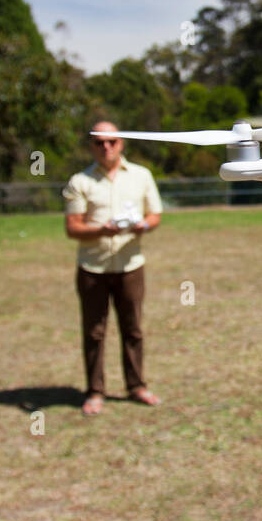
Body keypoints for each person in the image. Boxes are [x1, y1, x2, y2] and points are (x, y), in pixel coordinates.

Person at [62, 121, 163, 415]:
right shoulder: (79, 182)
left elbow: (155, 214)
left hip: (131, 266)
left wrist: (144, 224)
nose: (106, 147)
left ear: (122, 144)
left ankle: (137, 386)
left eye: (112, 142)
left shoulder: (142, 176)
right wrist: (101, 231)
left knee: (133, 329)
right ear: (91, 146)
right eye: (99, 143)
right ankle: (95, 391)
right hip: (93, 268)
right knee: (94, 331)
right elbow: (72, 228)